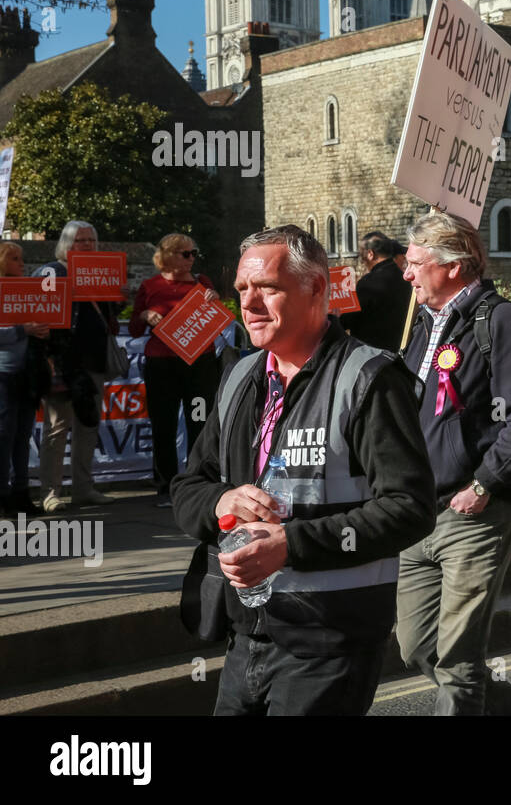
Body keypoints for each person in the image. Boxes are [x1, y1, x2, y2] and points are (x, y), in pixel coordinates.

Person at [171, 225, 437, 715]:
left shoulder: (370, 378)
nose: (248, 305)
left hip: (331, 641)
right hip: (246, 634)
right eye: (242, 290)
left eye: (267, 288)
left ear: (317, 288)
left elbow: (410, 509)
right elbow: (188, 487)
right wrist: (221, 501)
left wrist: (291, 544)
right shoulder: (239, 377)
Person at [396, 210, 511, 716]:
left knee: (458, 661)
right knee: (417, 647)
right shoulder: (421, 324)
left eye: (416, 262)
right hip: (420, 511)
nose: (407, 273)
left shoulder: (502, 321)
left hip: (476, 511)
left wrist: (484, 484)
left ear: (453, 266)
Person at [129, 234, 223, 508]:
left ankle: (200, 481)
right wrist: (145, 315)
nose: (192, 258)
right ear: (168, 255)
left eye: (194, 253)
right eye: (186, 253)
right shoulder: (150, 286)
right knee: (164, 425)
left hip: (199, 364)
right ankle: (166, 485)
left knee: (200, 422)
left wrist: (214, 300)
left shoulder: (202, 283)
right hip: (163, 365)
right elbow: (135, 329)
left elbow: (216, 321)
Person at [36, 221, 123, 511]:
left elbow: (111, 316)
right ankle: (50, 493)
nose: (86, 245)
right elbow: (38, 307)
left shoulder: (102, 271)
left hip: (94, 362)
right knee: (57, 428)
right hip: (64, 363)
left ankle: (84, 489)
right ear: (66, 243)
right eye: (79, 240)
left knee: (88, 427)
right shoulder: (53, 271)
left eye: (90, 239)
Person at [0, 242, 49, 518]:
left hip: (28, 373)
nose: (22, 263)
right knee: (4, 435)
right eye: (14, 259)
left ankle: (21, 493)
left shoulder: (29, 290)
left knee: (22, 436)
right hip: (4, 372)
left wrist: (42, 330)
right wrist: (24, 329)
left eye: (21, 258)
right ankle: (3, 493)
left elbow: (47, 317)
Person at [338, 232, 413, 351]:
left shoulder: (368, 283)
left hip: (370, 353)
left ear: (370, 254)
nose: (361, 260)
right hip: (400, 351)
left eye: (362, 254)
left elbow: (346, 321)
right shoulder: (406, 280)